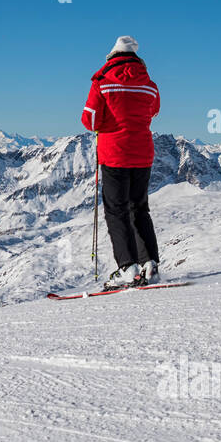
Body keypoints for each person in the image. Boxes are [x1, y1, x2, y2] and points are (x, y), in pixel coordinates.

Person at [80, 36, 161, 287]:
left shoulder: (103, 83)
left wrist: (108, 125)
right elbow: (153, 110)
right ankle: (150, 264)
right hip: (143, 153)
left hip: (115, 154)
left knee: (117, 211)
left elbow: (90, 120)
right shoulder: (149, 85)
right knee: (140, 209)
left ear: (112, 57)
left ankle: (128, 268)